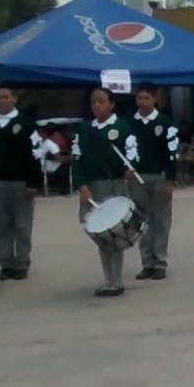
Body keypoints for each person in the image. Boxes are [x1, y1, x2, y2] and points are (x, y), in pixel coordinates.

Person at [73, 88, 139, 297]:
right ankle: (108, 278)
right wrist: (82, 186)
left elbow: (132, 154)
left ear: (111, 104)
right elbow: (77, 161)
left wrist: (130, 169)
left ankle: (116, 281)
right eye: (93, 102)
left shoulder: (122, 127)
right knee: (100, 233)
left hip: (115, 184)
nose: (97, 106)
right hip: (93, 186)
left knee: (114, 232)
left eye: (101, 102)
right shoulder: (84, 129)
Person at [0, 86, 42, 281]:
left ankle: (22, 264)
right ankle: (6, 264)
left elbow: (36, 153)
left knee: (22, 225)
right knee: (1, 226)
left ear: (15, 99)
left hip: (21, 182)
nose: (2, 100)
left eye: (6, 97)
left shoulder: (26, 123)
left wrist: (33, 182)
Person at [128, 84, 179, 281]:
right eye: (139, 98)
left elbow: (172, 154)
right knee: (142, 220)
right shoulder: (129, 123)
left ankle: (160, 262)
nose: (142, 102)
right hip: (137, 177)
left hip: (159, 177)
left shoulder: (165, 123)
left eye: (146, 98)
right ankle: (146, 263)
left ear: (155, 99)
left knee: (161, 220)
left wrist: (170, 181)